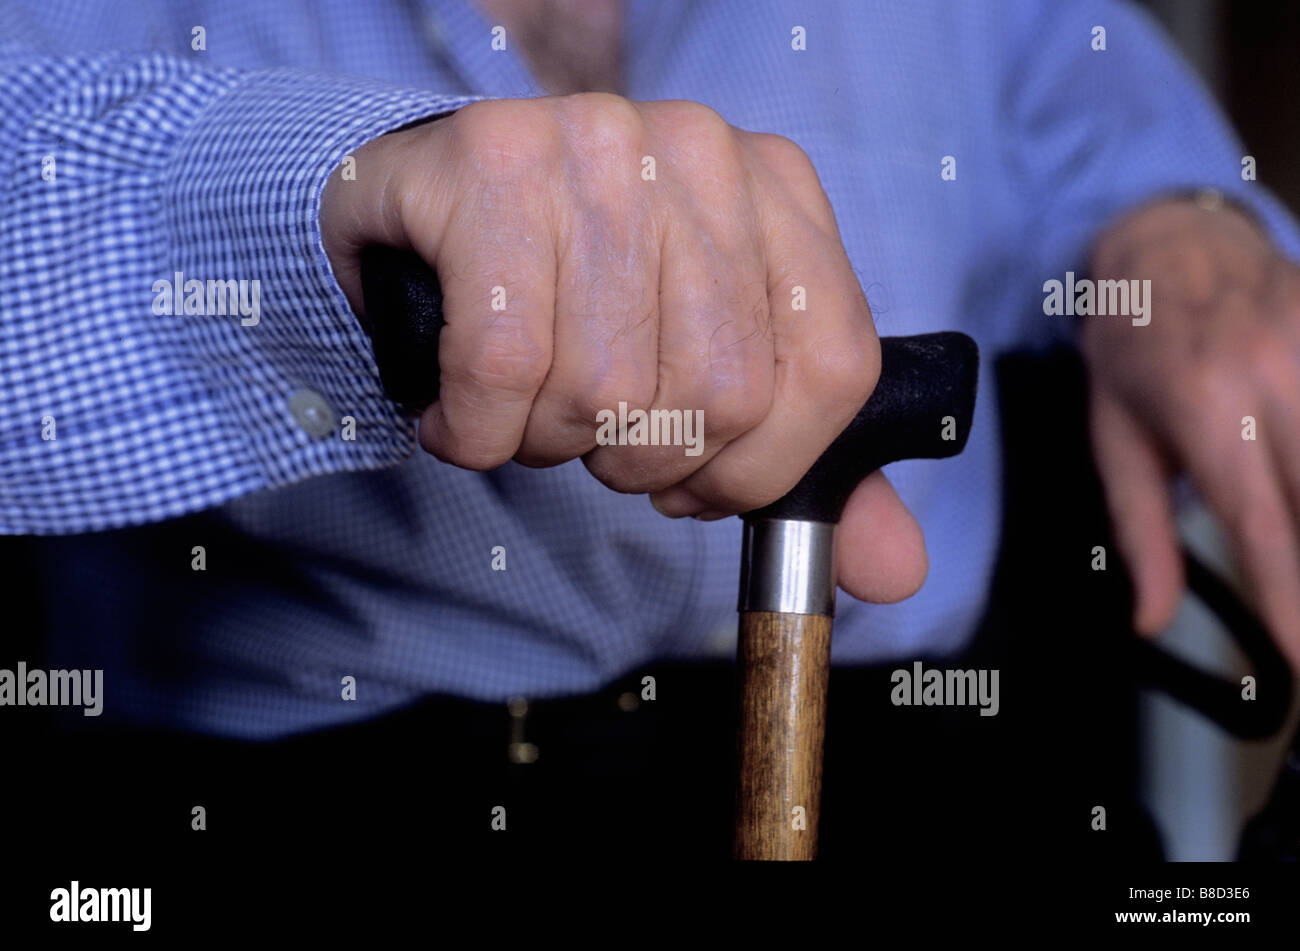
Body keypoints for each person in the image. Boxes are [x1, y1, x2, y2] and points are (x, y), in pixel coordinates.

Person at [5, 0, 1300, 750]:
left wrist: (1180, 219)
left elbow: (1072, 74)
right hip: (334, 773)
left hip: (940, 761)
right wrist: (320, 209)